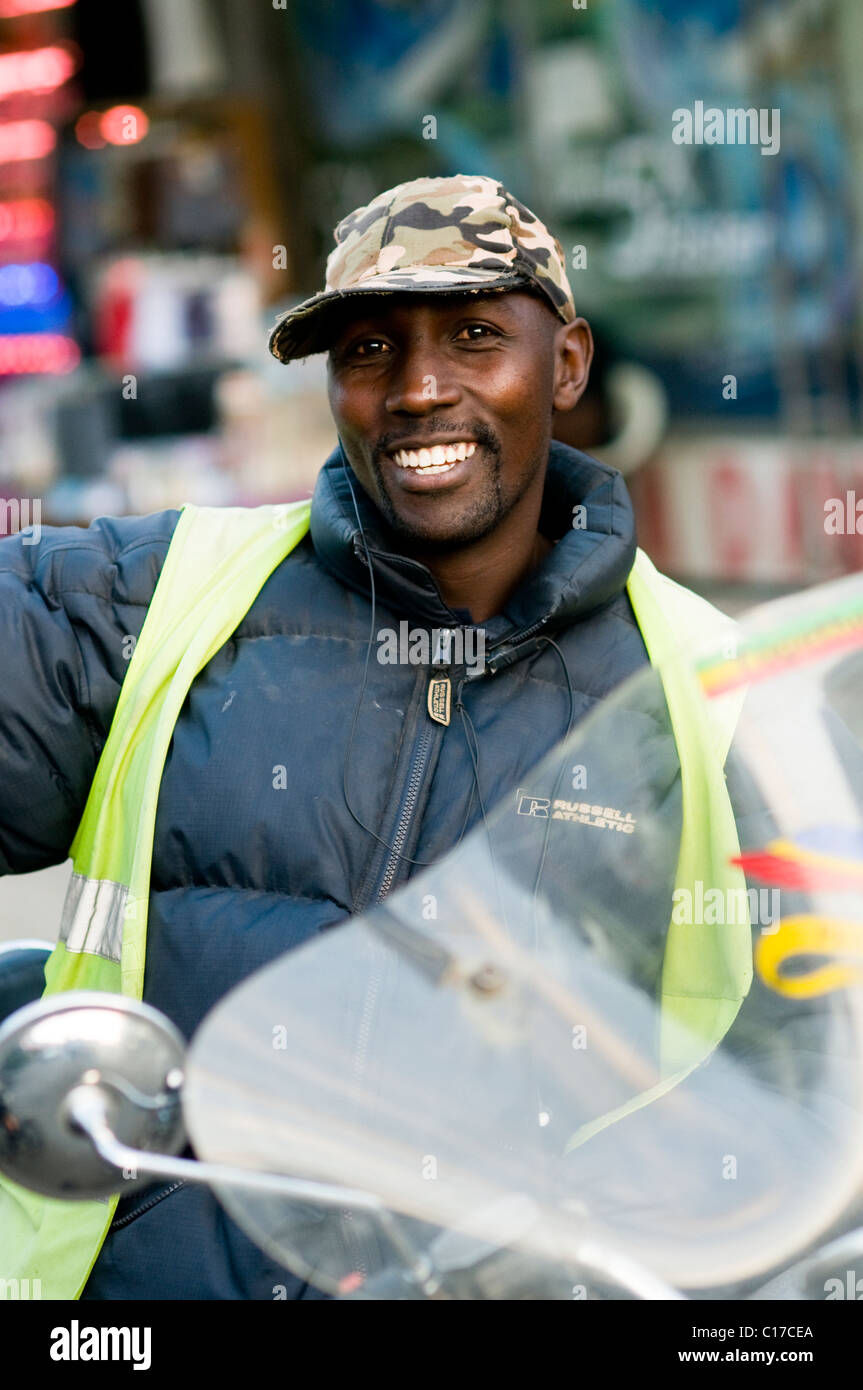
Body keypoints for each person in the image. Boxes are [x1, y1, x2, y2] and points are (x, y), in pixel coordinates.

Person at [0, 174, 738, 1300]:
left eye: (476, 335)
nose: (417, 390)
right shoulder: (164, 594)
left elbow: (797, 1089)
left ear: (568, 365)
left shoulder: (709, 685)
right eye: (369, 350)